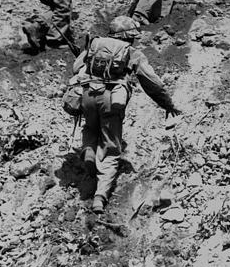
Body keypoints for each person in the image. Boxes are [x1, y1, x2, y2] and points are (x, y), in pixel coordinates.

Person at [63, 16, 180, 214]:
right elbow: (151, 81)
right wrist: (167, 104)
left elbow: (76, 68)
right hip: (111, 101)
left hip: (87, 96)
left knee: (90, 127)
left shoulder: (95, 43)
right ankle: (100, 196)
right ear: (128, 37)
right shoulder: (131, 52)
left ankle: (89, 152)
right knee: (111, 146)